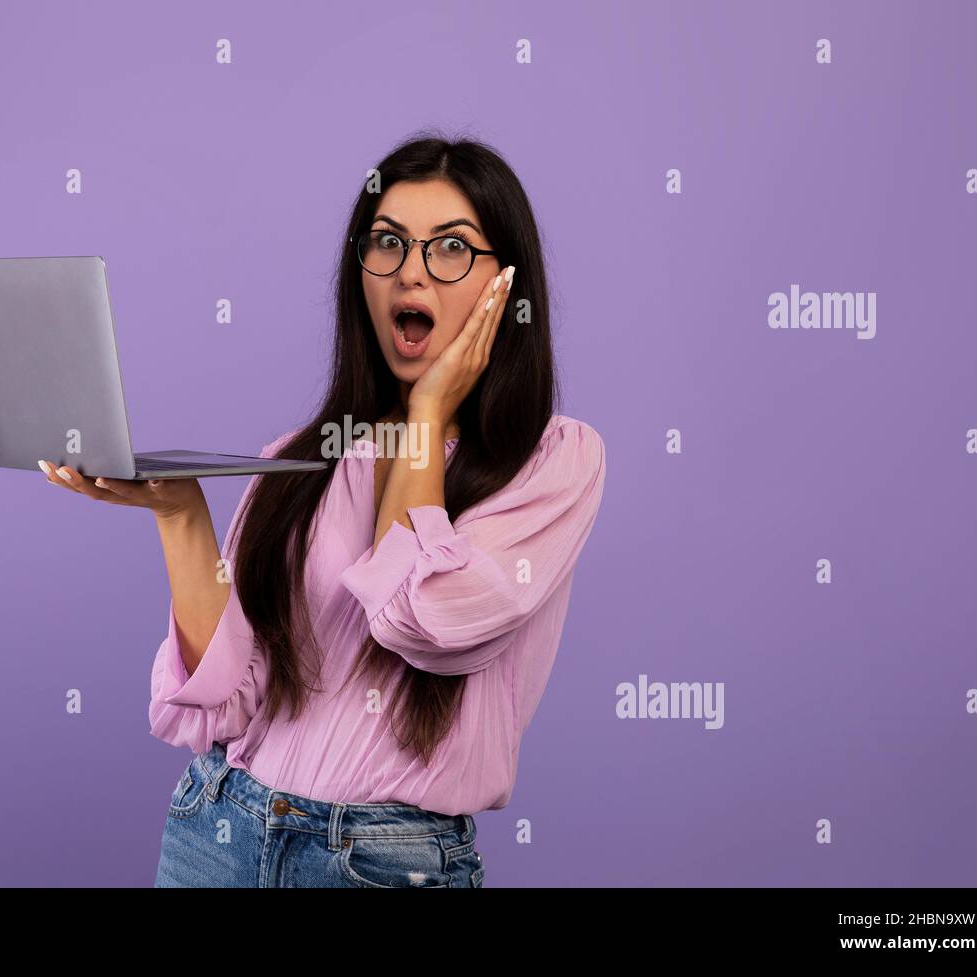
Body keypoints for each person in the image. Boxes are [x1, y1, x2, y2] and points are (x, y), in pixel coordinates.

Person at [40, 133, 607, 887]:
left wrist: (430, 409)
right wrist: (179, 514)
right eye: (388, 243)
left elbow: (418, 618)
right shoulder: (302, 457)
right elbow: (229, 704)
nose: (412, 270)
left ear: (505, 285)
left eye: (450, 249)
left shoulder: (554, 461)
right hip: (216, 830)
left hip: (381, 862)